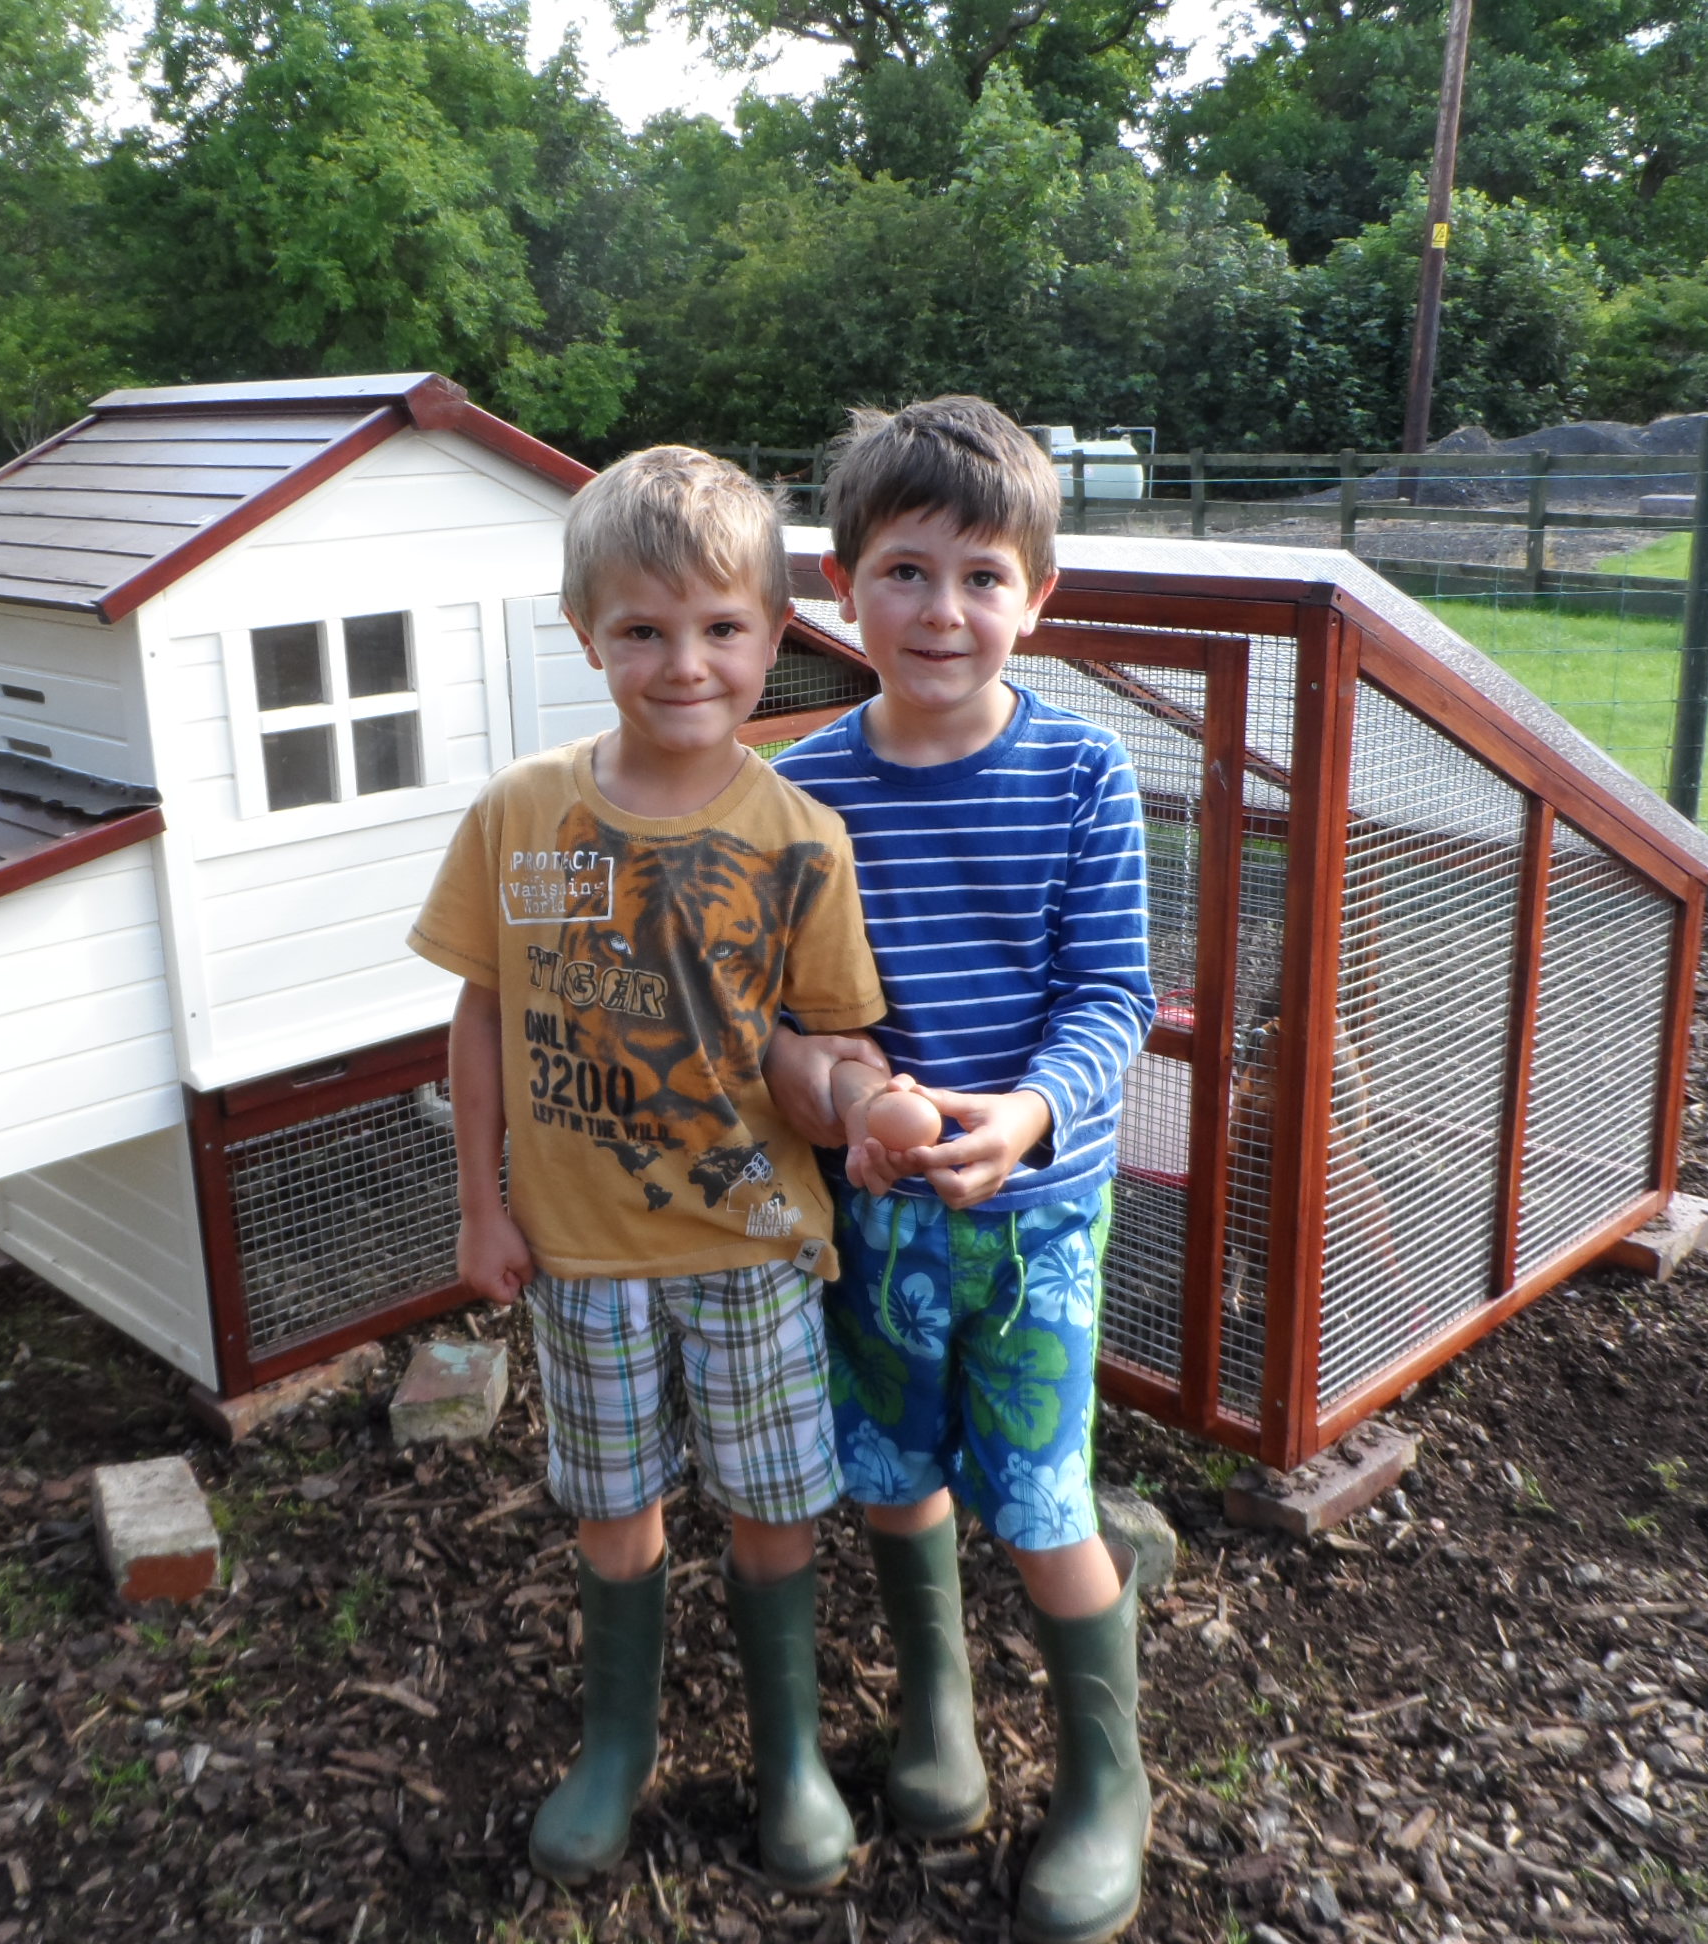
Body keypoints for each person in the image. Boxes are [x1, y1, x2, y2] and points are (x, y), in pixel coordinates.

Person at [409, 446, 886, 1893]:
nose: (685, 664)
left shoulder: (803, 837)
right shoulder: (520, 814)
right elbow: (480, 1009)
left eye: (722, 628)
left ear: (775, 634)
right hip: (581, 1255)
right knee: (613, 1509)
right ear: (586, 636)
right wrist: (481, 1205)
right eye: (643, 631)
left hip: (750, 1247)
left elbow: (833, 1042)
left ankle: (788, 1746)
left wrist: (864, 1104)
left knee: (772, 1502)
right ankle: (614, 1745)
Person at [765, 397, 1159, 1944]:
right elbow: (788, 1012)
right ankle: (938, 1716)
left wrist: (1028, 1118)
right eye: (908, 572)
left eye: (985, 576)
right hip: (872, 1210)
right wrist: (850, 1092)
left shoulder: (1084, 774)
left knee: (1044, 1502)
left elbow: (1110, 997)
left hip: (1040, 1218)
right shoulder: (800, 789)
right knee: (892, 1469)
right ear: (842, 588)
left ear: (1038, 599)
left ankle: (1105, 1782)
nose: (946, 611)